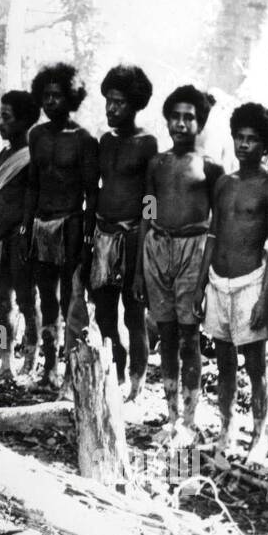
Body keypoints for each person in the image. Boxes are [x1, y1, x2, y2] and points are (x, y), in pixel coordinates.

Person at [196, 103, 268, 460]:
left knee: (255, 365)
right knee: (224, 363)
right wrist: (201, 285)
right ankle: (227, 430)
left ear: (266, 146)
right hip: (219, 282)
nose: (244, 145)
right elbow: (213, 236)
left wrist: (264, 297)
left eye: (252, 140)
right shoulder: (223, 183)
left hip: (251, 282)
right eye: (239, 137)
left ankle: (259, 435)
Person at [135, 85, 223, 434]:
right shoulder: (157, 163)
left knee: (189, 336)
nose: (182, 123)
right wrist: (141, 266)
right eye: (176, 117)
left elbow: (217, 224)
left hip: (193, 249)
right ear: (167, 120)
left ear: (199, 123)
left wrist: (204, 275)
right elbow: (148, 209)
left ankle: (189, 416)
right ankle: (170, 414)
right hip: (157, 247)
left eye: (189, 118)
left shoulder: (209, 168)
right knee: (166, 335)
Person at [22, 62, 97, 388]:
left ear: (72, 97)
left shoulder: (83, 139)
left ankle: (71, 373)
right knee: (46, 300)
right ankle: (48, 367)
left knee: (71, 302)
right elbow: (32, 186)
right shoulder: (35, 135)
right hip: (40, 224)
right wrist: (26, 229)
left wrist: (88, 238)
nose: (51, 101)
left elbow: (91, 193)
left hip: (70, 225)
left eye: (58, 95)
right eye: (46, 95)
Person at [91, 65, 158, 400]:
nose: (110, 108)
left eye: (118, 102)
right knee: (104, 313)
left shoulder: (147, 144)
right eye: (107, 101)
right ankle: (115, 373)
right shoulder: (104, 141)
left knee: (134, 313)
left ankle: (136, 384)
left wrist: (143, 240)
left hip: (133, 236)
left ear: (134, 105)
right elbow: (96, 187)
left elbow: (150, 199)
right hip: (103, 235)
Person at [0, 90, 39, 376]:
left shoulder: (31, 156)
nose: (0, 122)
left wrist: (23, 233)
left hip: (20, 240)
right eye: (0, 116)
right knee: (1, 302)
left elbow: (32, 199)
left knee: (26, 301)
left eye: (6, 117)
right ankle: (5, 360)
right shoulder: (5, 153)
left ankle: (30, 361)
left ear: (25, 121)